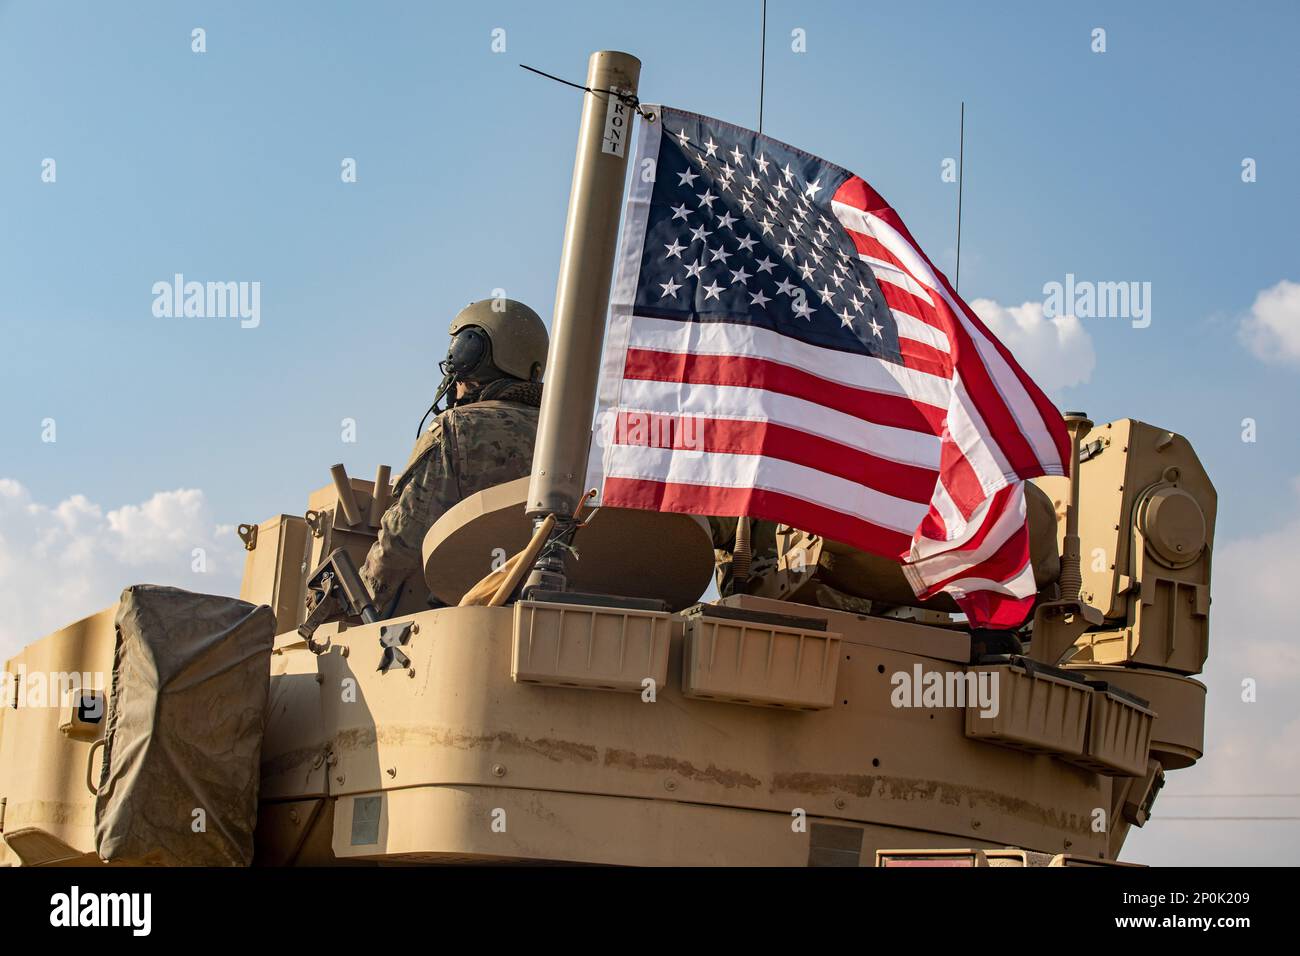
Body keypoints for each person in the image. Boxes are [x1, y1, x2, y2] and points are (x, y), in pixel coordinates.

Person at [359, 298, 548, 613]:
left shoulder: (453, 429)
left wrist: (358, 604)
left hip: (464, 621)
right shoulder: (574, 438)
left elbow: (401, 541)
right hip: (551, 614)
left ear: (469, 356)